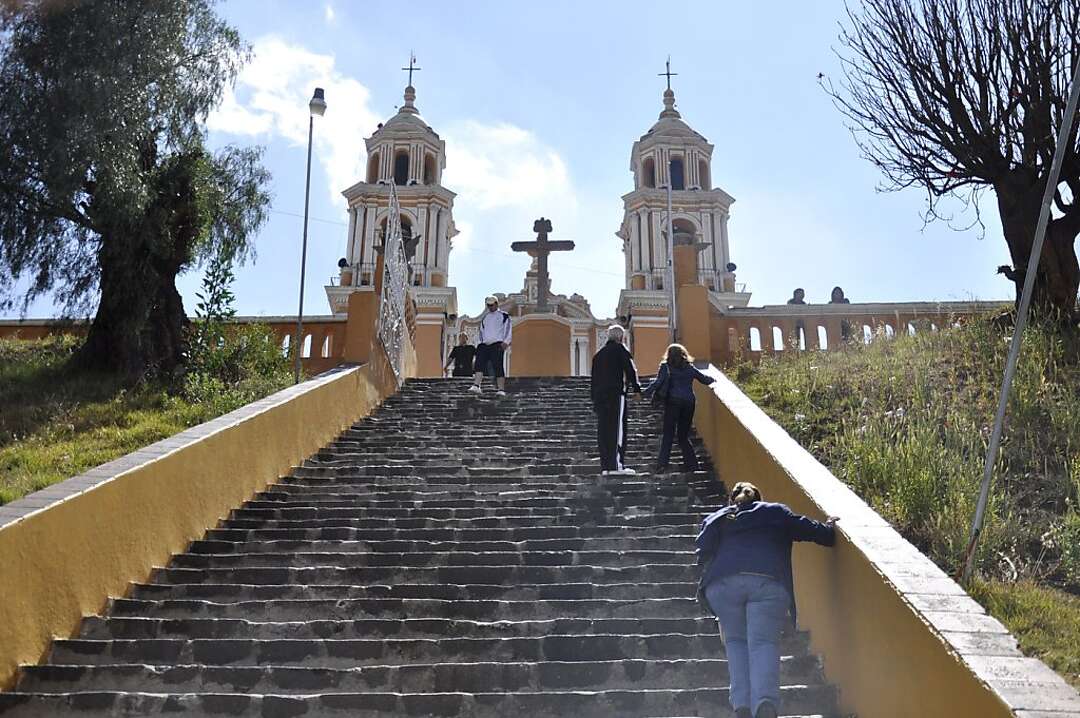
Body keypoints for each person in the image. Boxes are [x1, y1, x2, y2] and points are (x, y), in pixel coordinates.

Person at [696, 482, 839, 718]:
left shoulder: (717, 518)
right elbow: (815, 532)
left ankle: (742, 706)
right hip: (767, 582)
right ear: (759, 499)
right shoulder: (775, 512)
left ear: (733, 501)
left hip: (722, 585)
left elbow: (702, 552)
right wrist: (829, 527)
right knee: (762, 642)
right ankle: (764, 704)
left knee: (736, 643)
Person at [642, 343, 715, 473]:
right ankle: (693, 465)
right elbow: (704, 379)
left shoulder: (666, 367)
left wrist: (644, 393)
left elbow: (658, 383)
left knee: (668, 434)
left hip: (673, 402)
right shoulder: (689, 367)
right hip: (689, 403)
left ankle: (662, 464)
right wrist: (714, 379)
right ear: (683, 354)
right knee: (683, 435)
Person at [590, 325, 642, 476]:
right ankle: (616, 465)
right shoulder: (620, 349)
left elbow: (593, 380)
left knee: (603, 431)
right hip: (615, 394)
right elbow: (630, 369)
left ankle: (606, 466)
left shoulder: (598, 355)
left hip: (600, 397)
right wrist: (637, 389)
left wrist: (594, 399)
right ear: (621, 337)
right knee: (617, 429)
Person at [470, 296, 512, 396]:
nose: (490, 307)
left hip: (497, 343)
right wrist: (480, 343)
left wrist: (506, 342)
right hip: (485, 344)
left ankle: (501, 389)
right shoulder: (486, 317)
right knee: (479, 364)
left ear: (496, 304)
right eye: (488, 305)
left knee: (498, 366)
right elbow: (481, 331)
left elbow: (508, 329)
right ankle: (476, 385)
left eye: (492, 305)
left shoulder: (504, 316)